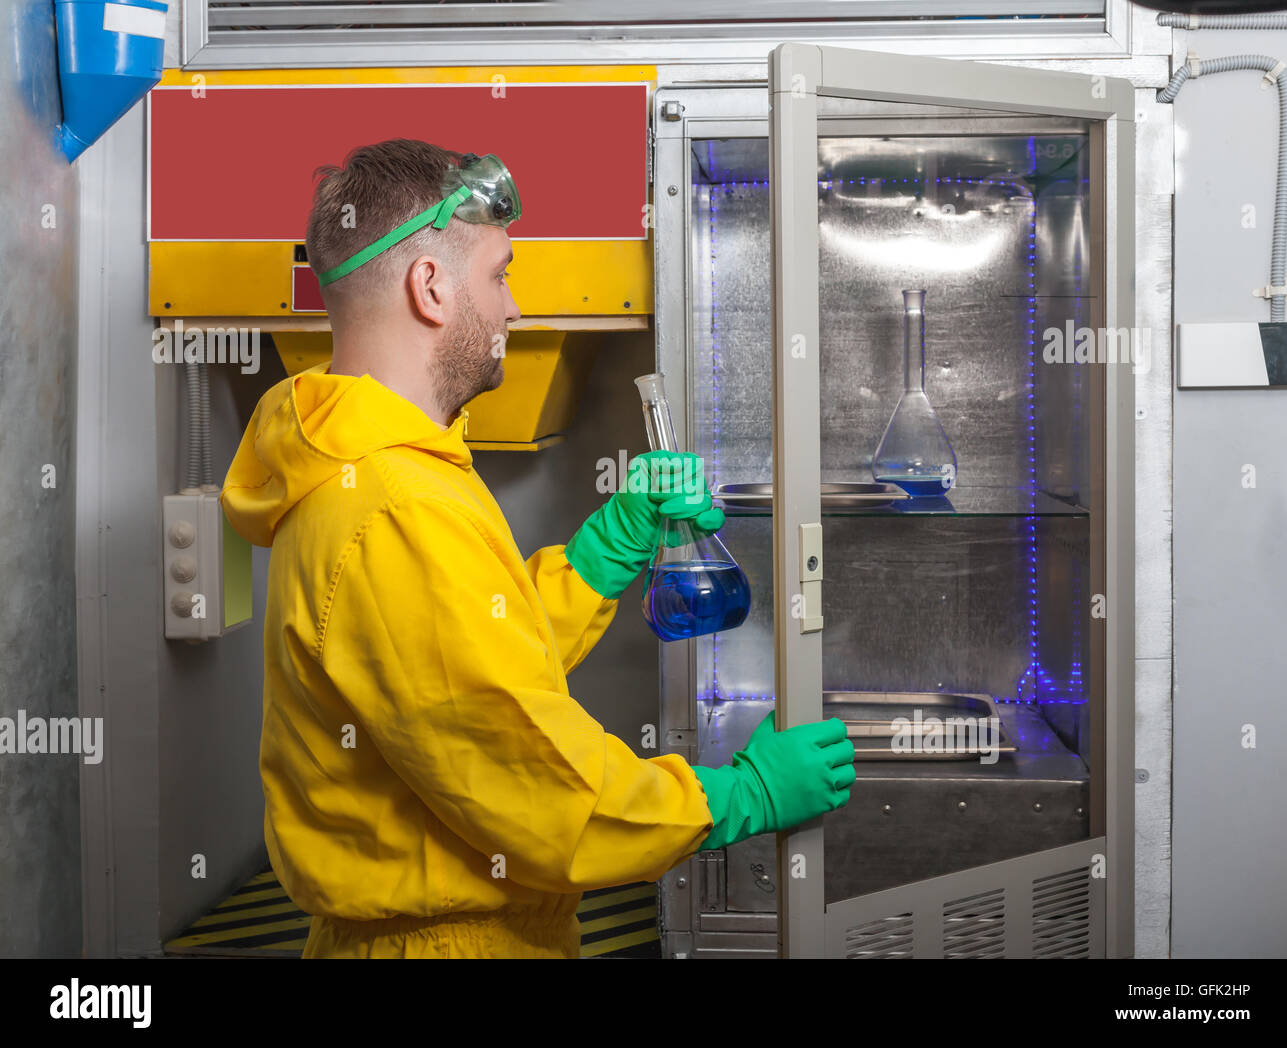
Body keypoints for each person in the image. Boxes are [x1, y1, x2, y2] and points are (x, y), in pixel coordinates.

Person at [221, 138, 855, 959]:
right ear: (431, 287)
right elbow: (543, 791)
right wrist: (738, 797)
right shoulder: (396, 507)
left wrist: (612, 542)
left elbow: (469, 670)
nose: (512, 308)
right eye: (500, 275)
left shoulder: (365, 466)